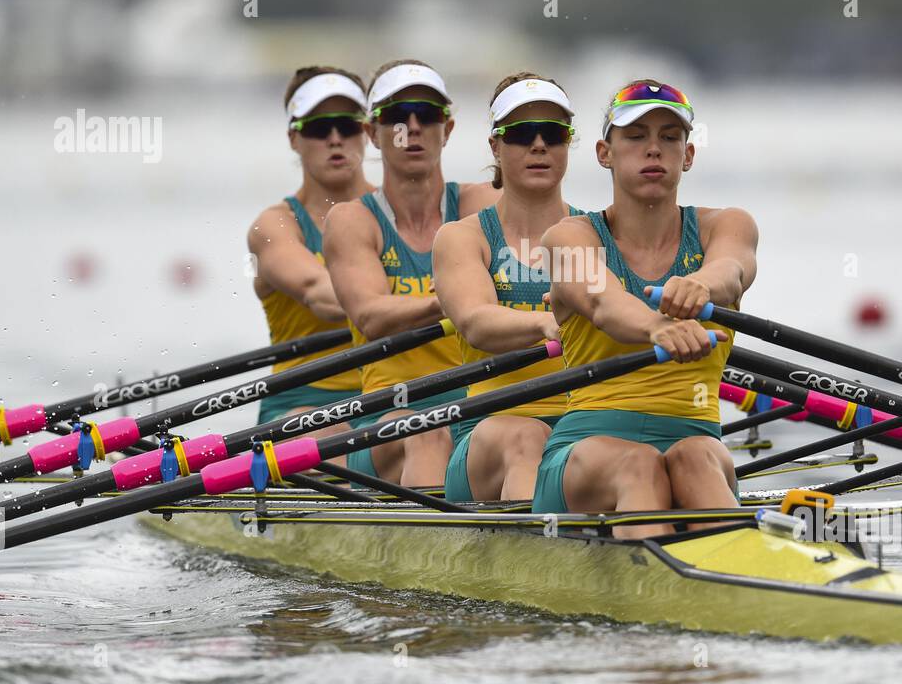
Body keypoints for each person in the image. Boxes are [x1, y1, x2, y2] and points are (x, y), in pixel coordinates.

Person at [534, 80, 758, 538]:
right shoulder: (568, 237)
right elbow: (601, 300)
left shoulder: (726, 225)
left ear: (687, 156)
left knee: (694, 456)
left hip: (696, 439)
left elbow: (732, 270)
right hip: (587, 451)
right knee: (640, 465)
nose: (653, 149)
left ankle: (748, 583)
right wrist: (658, 327)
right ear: (604, 153)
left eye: (669, 137)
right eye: (635, 137)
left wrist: (699, 285)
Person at [324, 60, 500, 486]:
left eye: (428, 114)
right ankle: (438, 547)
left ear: (449, 129)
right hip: (391, 414)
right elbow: (370, 315)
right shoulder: (353, 220)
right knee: (428, 434)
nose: (414, 126)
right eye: (398, 116)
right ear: (371, 133)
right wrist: (460, 300)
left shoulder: (483, 204)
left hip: (480, 405)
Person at [433, 73, 581, 502]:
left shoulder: (598, 232)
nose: (538, 145)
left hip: (583, 428)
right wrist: (546, 323)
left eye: (552, 134)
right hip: (490, 430)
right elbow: (477, 322)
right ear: (495, 146)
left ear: (568, 143)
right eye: (520, 134)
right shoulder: (463, 237)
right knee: (527, 438)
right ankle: (538, 557)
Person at [250, 67, 375, 424]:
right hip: (303, 403)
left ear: (366, 132)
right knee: (326, 438)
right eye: (320, 128)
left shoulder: (402, 214)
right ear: (294, 137)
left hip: (389, 394)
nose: (335, 138)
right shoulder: (275, 226)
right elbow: (321, 294)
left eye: (347, 125)